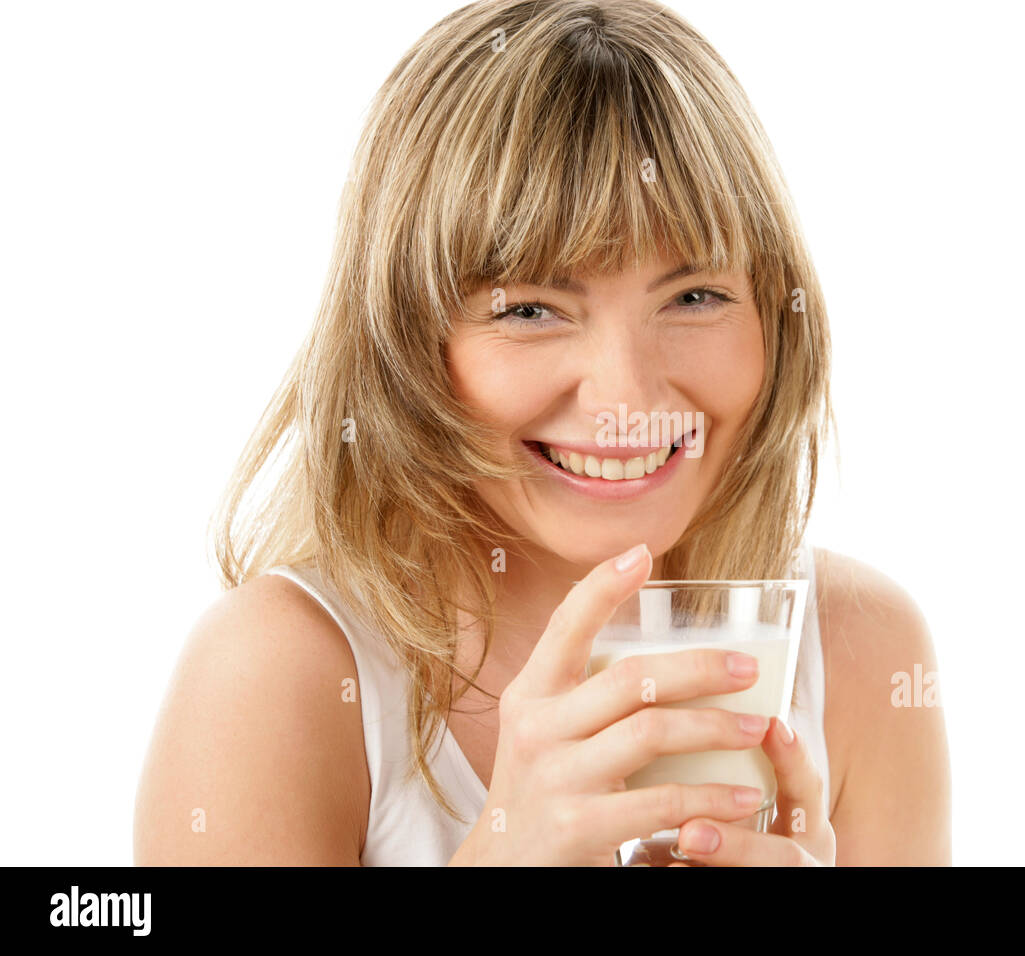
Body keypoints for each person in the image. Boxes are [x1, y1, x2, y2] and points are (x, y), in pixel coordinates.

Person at [134, 0, 950, 866]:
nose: (627, 396)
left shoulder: (862, 651)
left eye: (695, 296)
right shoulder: (274, 679)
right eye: (530, 309)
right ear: (407, 345)